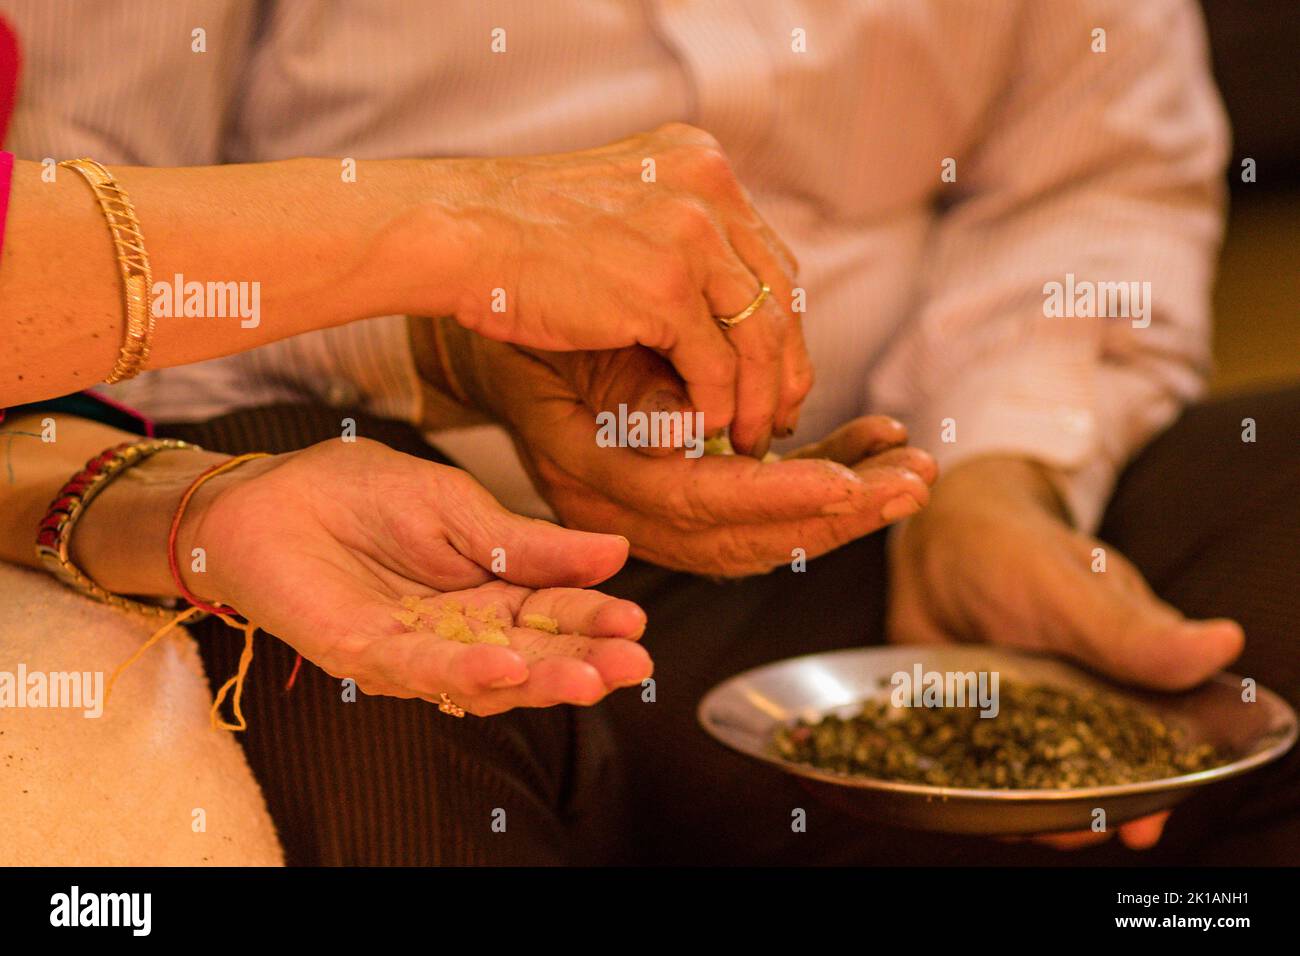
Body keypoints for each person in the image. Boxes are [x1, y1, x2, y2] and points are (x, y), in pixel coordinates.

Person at [7, 0, 1296, 864]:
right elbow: (66, 255)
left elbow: (1094, 174)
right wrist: (450, 324)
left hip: (885, 508)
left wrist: (997, 476)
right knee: (311, 627)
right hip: (433, 511)